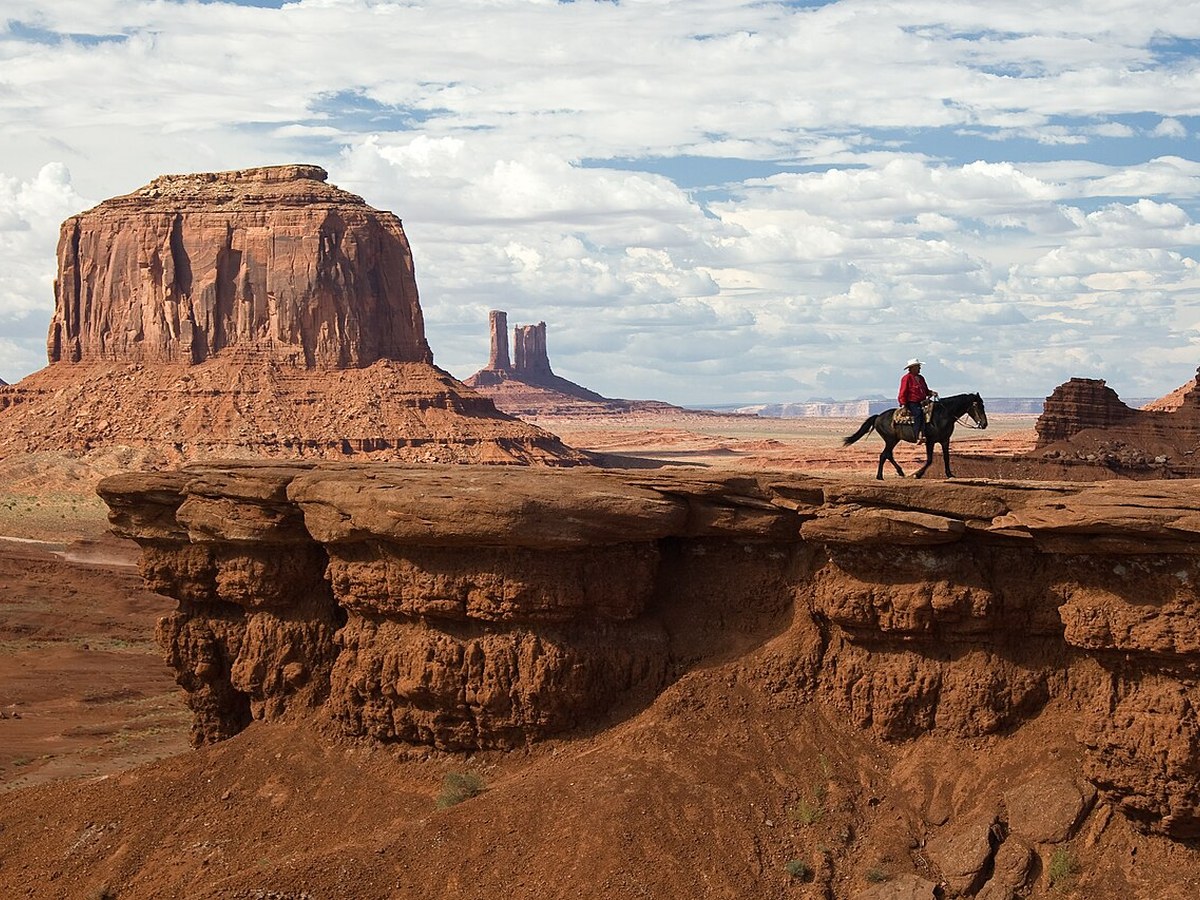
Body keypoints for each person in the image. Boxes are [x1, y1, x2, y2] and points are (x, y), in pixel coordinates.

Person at [898, 358, 938, 440]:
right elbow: (903, 392)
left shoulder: (921, 378)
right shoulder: (906, 378)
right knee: (918, 414)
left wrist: (931, 393)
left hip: (923, 402)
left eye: (919, 366)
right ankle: (918, 434)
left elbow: (925, 390)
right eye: (918, 367)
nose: (920, 368)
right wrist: (904, 405)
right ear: (912, 368)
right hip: (912, 402)